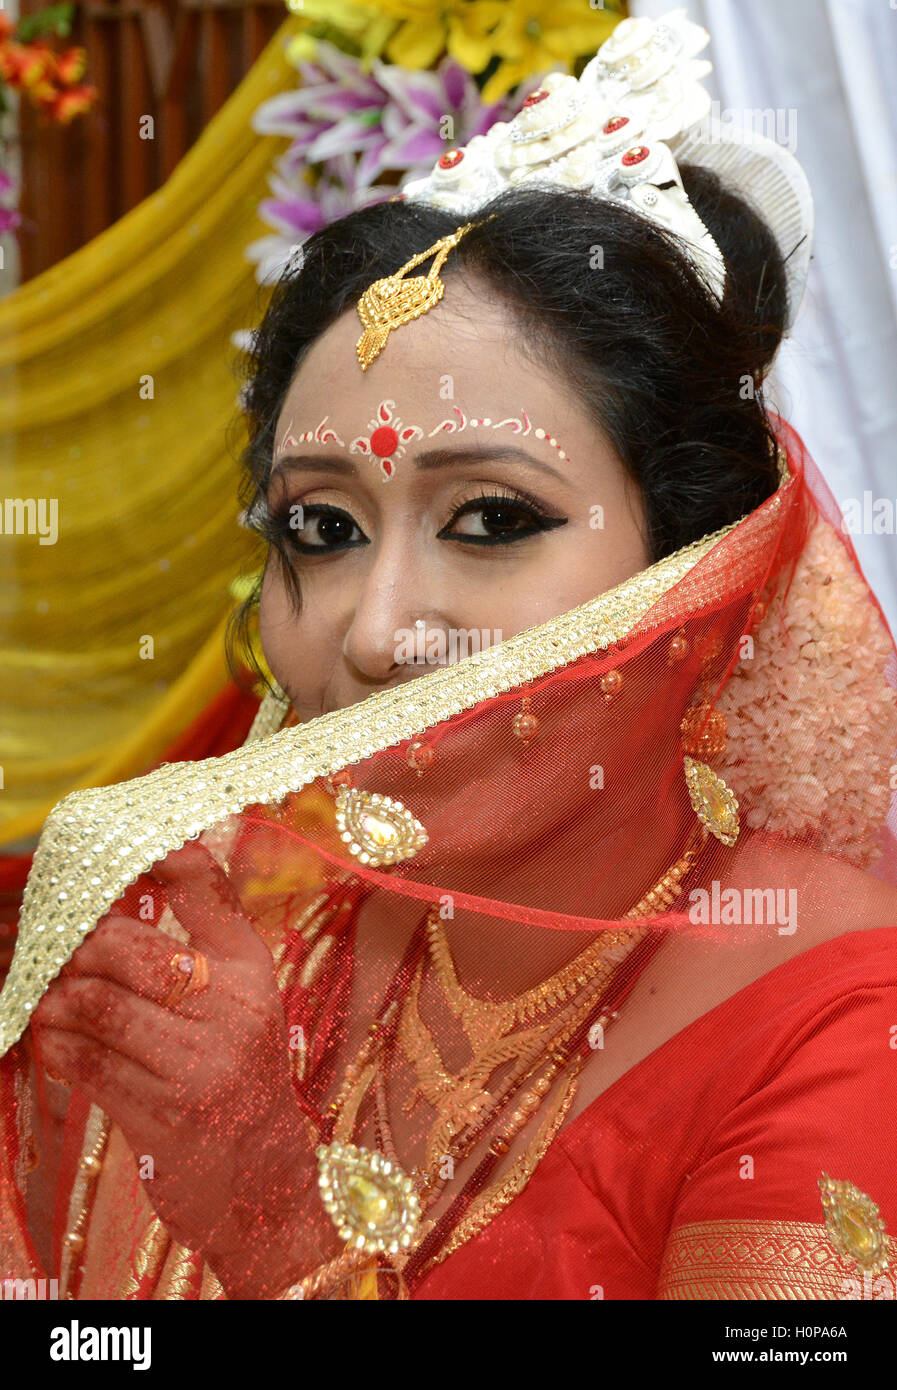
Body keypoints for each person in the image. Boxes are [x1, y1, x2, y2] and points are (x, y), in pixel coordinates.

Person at [2, 10, 896, 1300]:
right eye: (321, 528)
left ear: (697, 575)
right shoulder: (220, 942)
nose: (373, 632)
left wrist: (263, 1210)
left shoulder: (836, 1012)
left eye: (491, 521)